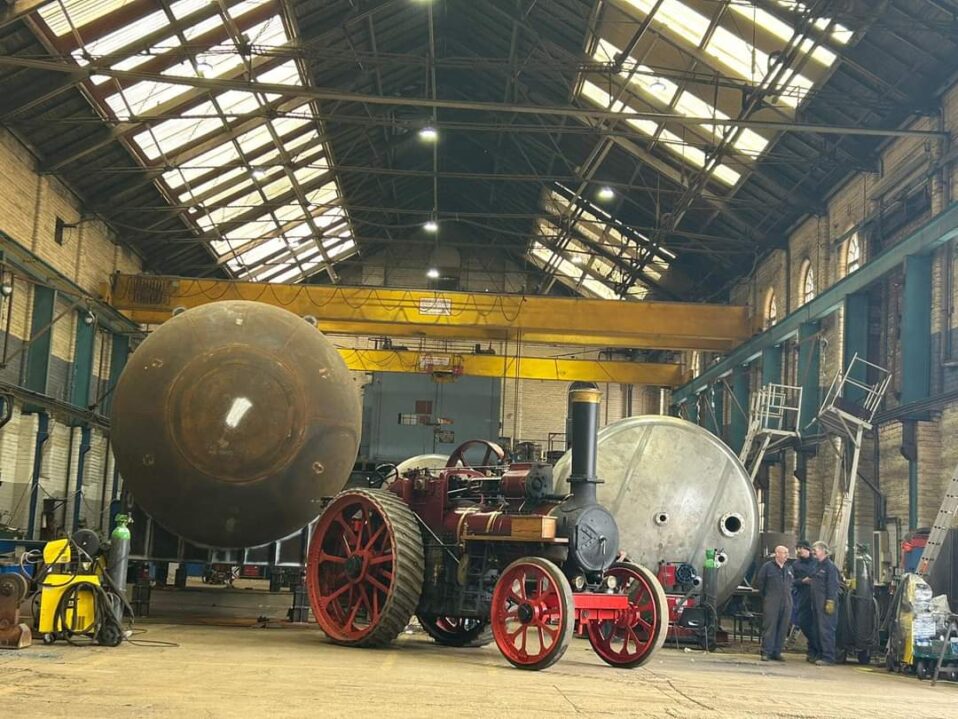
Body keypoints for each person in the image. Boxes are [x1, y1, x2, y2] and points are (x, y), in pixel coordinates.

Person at [755, 545, 794, 661]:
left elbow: (791, 585)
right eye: (784, 553)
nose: (787, 555)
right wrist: (768, 597)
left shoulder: (788, 569)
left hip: (786, 602)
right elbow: (760, 584)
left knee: (783, 627)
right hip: (772, 601)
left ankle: (777, 652)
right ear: (777, 554)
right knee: (770, 627)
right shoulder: (767, 567)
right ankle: (766, 652)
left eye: (787, 553)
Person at [809, 540, 841, 666]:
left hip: (825, 605)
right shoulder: (817, 565)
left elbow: (832, 585)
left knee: (826, 630)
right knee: (817, 630)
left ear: (823, 551)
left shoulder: (830, 567)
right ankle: (819, 654)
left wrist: (830, 601)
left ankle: (828, 657)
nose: (813, 552)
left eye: (815, 550)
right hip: (816, 604)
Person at [792, 540, 820, 662]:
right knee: (804, 623)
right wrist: (802, 581)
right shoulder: (795, 565)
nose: (799, 550)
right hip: (803, 597)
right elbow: (791, 581)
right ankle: (814, 649)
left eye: (801, 548)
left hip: (817, 597)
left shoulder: (817, 563)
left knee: (816, 625)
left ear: (808, 549)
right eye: (798, 548)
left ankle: (814, 651)